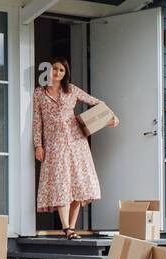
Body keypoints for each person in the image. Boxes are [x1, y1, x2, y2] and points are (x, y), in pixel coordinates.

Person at [33, 57, 117, 239]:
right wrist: (38, 145)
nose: (57, 73)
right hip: (54, 145)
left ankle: (71, 228)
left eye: (61, 70)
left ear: (65, 73)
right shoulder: (39, 93)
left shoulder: (71, 90)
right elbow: (37, 121)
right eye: (55, 69)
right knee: (60, 184)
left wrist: (110, 117)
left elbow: (96, 102)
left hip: (77, 142)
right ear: (48, 71)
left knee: (79, 184)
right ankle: (66, 228)